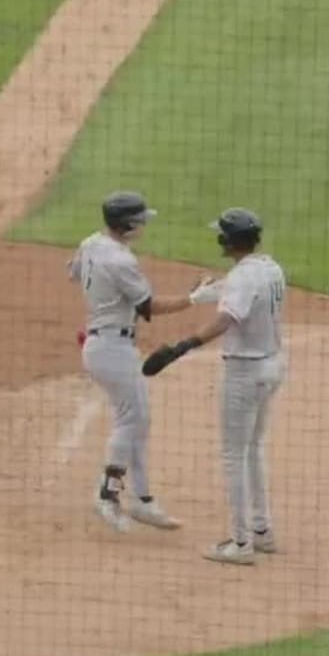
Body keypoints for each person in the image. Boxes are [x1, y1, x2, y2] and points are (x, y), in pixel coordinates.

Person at [141, 208, 287, 565]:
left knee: (233, 456)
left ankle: (240, 543)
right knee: (253, 449)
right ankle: (262, 531)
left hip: (244, 372)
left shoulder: (241, 279)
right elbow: (234, 290)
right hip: (273, 365)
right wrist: (201, 294)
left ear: (227, 241)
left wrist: (181, 347)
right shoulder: (270, 268)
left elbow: (227, 318)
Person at [66, 191, 208, 532]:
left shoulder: (91, 243)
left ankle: (143, 500)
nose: (144, 223)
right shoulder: (121, 262)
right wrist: (193, 299)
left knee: (138, 421)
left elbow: (73, 272)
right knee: (132, 420)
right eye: (141, 219)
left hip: (104, 342)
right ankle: (107, 495)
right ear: (128, 225)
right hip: (112, 348)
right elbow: (148, 307)